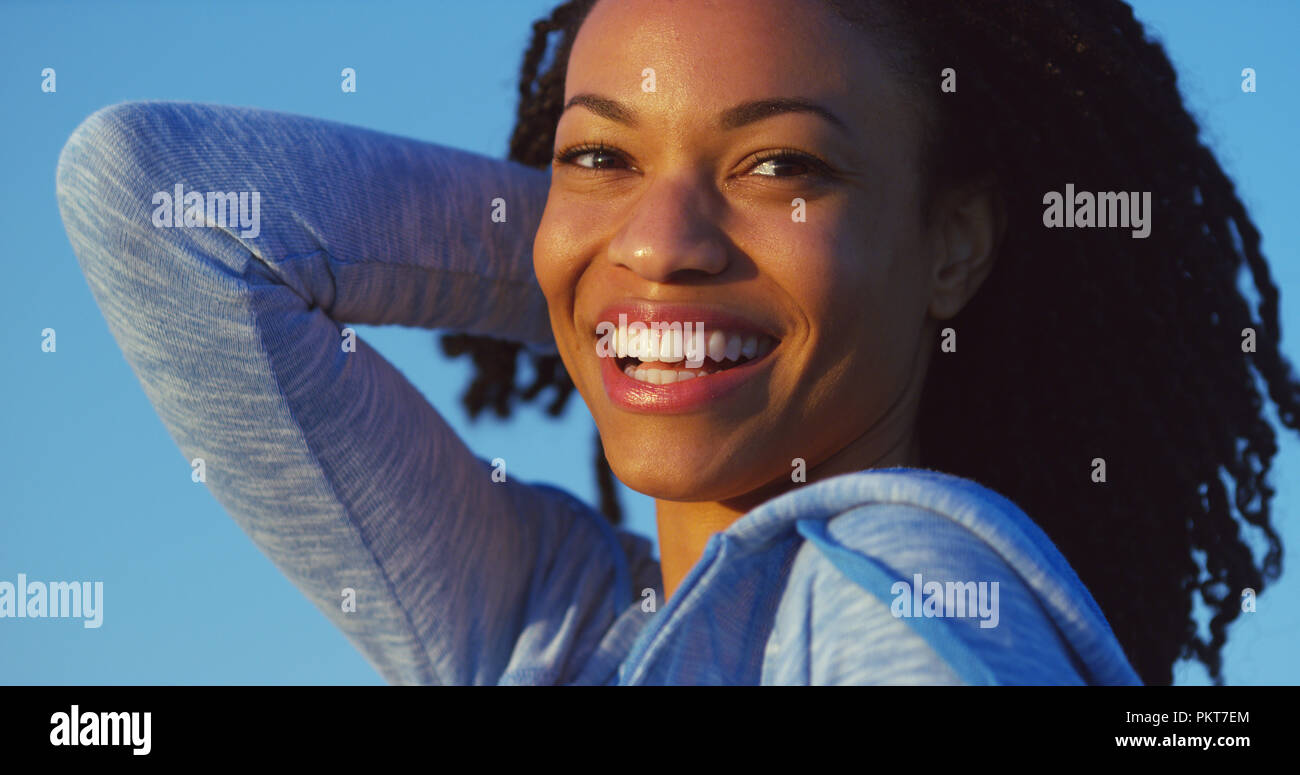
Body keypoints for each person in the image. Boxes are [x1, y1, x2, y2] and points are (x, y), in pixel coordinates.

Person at [56, 0, 1296, 685]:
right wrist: (596, 285)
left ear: (954, 244)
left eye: (783, 165)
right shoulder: (559, 624)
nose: (663, 233)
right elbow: (159, 201)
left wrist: (643, 291)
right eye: (597, 154)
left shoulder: (895, 589)